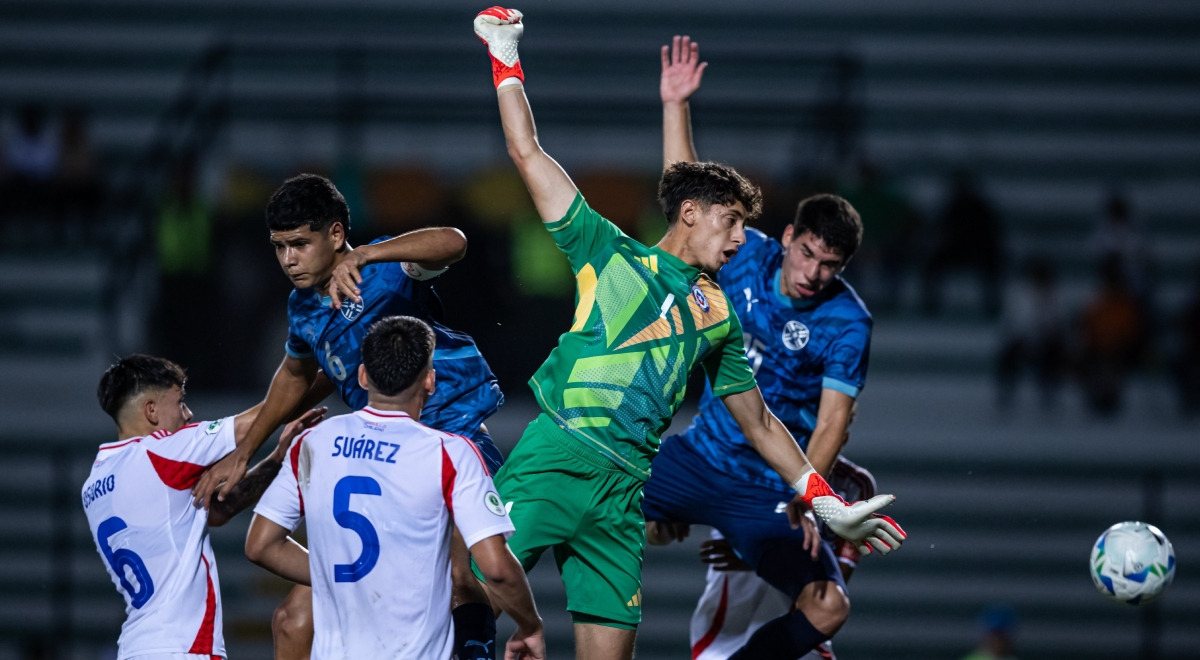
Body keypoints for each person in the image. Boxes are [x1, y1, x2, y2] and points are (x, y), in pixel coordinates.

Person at [472, 9, 905, 659]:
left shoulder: (717, 312)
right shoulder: (608, 253)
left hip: (624, 496)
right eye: (732, 224)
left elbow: (758, 422)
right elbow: (526, 153)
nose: (740, 239)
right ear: (692, 217)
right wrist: (505, 55)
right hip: (560, 457)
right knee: (463, 594)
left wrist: (821, 498)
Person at [190, 173, 506, 659]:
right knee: (293, 619)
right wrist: (243, 452)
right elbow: (295, 376)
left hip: (451, 439)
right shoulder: (303, 308)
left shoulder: (383, 269)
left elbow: (453, 242)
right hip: (381, 461)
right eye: (279, 247)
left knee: (458, 581)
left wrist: (366, 254)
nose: (289, 259)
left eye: (300, 243)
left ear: (336, 235)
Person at [637, 36, 880, 659]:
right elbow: (689, 200)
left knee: (829, 605)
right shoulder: (749, 257)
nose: (811, 274)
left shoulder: (848, 321)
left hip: (764, 485)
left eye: (830, 266)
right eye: (807, 254)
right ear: (790, 236)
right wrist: (675, 107)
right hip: (699, 454)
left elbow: (833, 425)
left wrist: (808, 496)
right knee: (585, 487)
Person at [244, 316, 544, 659]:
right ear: (430, 381)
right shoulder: (450, 453)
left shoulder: (312, 441)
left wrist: (342, 577)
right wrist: (530, 625)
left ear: (362, 376)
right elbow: (496, 570)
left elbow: (260, 546)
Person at [82, 354, 323, 659]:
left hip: (136, 647)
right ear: (151, 410)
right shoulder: (160, 454)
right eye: (180, 401)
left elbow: (219, 510)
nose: (188, 413)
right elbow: (264, 417)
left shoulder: (95, 481)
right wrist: (333, 374)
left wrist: (276, 458)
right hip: (182, 648)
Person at [688, 457, 878, 660]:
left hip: (799, 635)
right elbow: (659, 529)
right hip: (728, 628)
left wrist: (759, 556)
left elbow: (834, 587)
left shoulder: (853, 483)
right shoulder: (735, 459)